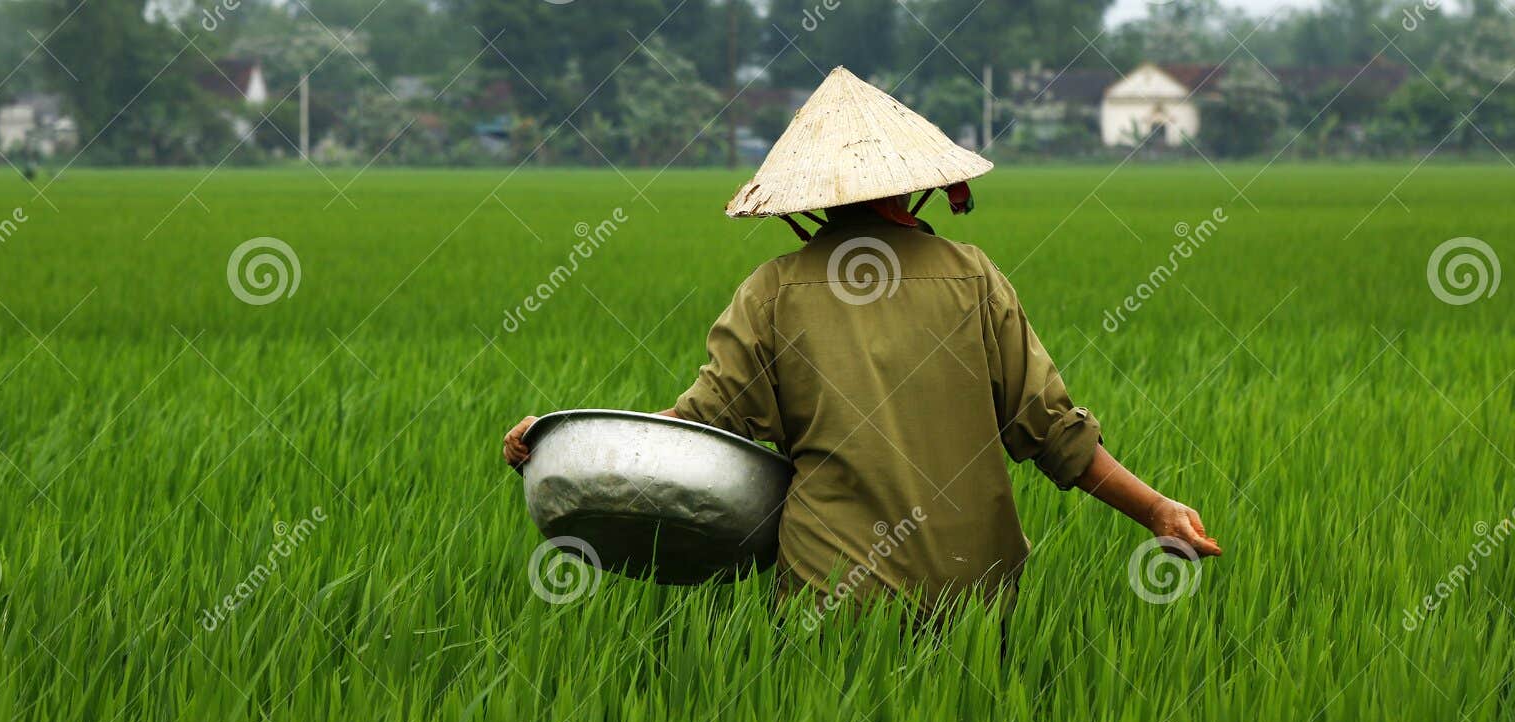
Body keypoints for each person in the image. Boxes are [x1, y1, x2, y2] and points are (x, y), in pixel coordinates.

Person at [504, 67, 1219, 614]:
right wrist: (1156, 510)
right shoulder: (972, 277)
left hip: (833, 591)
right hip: (976, 587)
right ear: (912, 188)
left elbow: (694, 429)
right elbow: (1052, 431)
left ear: (809, 199)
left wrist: (560, 438)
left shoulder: (776, 289)